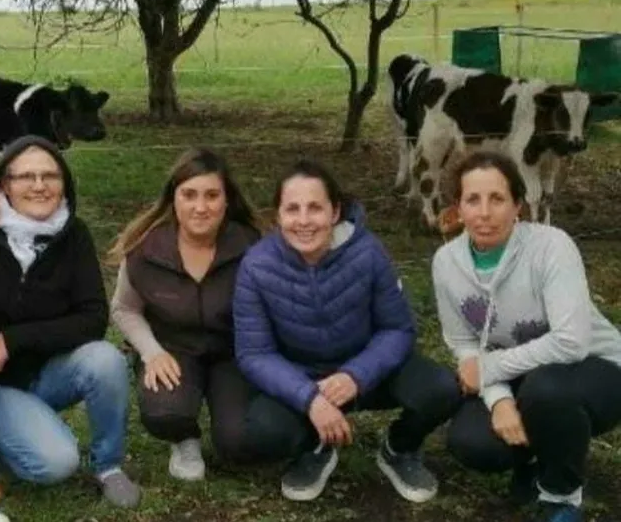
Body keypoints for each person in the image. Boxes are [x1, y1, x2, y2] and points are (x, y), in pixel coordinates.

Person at [0, 135, 142, 509]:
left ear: (65, 184)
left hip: (46, 374)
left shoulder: (73, 235)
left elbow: (92, 318)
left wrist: (13, 340)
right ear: (4, 184)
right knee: (57, 463)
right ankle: (1, 441)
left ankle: (108, 466)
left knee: (106, 358)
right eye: (25, 176)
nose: (40, 185)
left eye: (51, 176)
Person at [233, 159, 461, 504]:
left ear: (335, 211)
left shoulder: (368, 253)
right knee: (261, 431)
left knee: (441, 388)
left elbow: (398, 329)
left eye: (315, 207)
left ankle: (399, 448)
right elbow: (254, 353)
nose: (304, 220)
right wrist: (308, 398)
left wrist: (356, 375)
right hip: (302, 377)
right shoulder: (256, 265)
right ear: (277, 216)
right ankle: (314, 448)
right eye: (292, 209)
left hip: (367, 372)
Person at [434, 149, 621, 522]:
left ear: (518, 205)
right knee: (473, 443)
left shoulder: (551, 247)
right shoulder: (446, 263)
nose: (484, 213)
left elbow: (571, 340)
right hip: (519, 375)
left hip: (594, 368)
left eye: (497, 198)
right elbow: (465, 344)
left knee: (546, 392)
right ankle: (535, 457)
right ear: (458, 208)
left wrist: (488, 371)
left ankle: (562, 495)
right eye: (473, 199)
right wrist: (500, 400)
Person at [105, 146, 264, 481]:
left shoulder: (253, 247)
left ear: (227, 200)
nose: (200, 207)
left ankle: (228, 425)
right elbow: (124, 307)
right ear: (173, 198)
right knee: (165, 412)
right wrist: (152, 352)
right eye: (189, 194)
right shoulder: (145, 248)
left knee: (239, 442)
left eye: (211, 195)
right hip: (172, 348)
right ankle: (184, 437)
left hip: (233, 353)